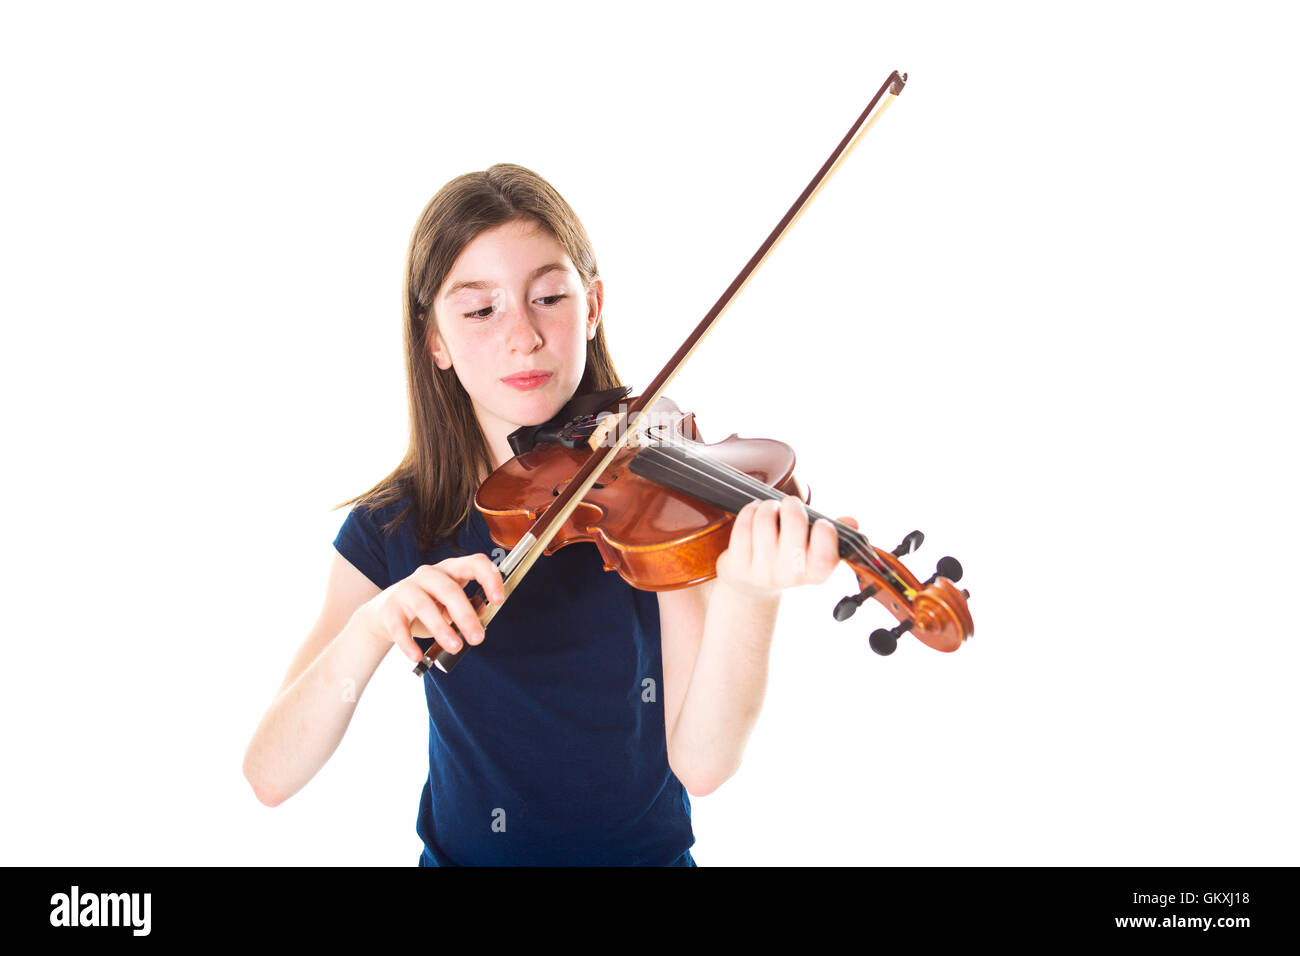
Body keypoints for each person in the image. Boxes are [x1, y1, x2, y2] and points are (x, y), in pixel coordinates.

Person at [241, 163, 857, 865]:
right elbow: (269, 775)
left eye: (549, 297)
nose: (524, 335)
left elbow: (703, 766)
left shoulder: (659, 506)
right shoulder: (397, 525)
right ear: (434, 340)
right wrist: (374, 623)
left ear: (592, 306)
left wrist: (750, 596)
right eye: (480, 310)